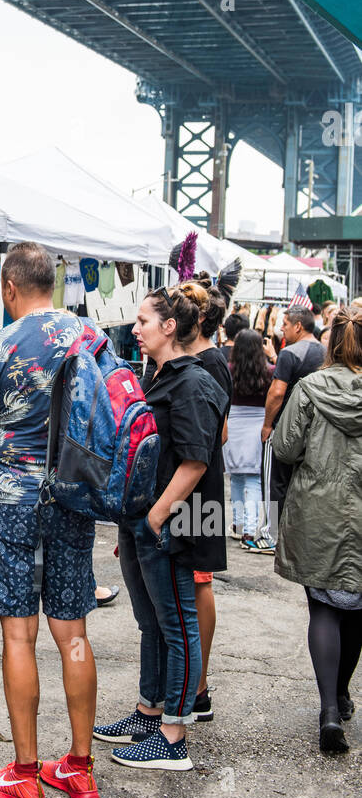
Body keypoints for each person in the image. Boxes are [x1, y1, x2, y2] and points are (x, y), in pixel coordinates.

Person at [0, 242, 100, 798]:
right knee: (74, 633)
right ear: (55, 282)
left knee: (19, 634)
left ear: (11, 288)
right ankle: (80, 767)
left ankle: (23, 772)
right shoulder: (91, 338)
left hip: (13, 498)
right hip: (73, 496)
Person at [94, 284, 226, 771]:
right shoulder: (163, 376)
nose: (135, 329)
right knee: (152, 622)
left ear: (169, 327)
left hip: (168, 525)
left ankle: (173, 736)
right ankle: (149, 713)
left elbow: (195, 461)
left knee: (176, 624)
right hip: (144, 522)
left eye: (143, 321)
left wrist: (154, 516)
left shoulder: (193, 382)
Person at [272, 307, 362, 755]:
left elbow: (286, 448)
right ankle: (343, 693)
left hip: (317, 513)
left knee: (324, 609)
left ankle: (329, 709)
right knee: (357, 609)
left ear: (332, 345)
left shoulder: (310, 387)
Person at [176, 274, 233, 722]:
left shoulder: (211, 362)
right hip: (193, 482)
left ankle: (199, 685)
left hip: (202, 484)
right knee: (191, 581)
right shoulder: (197, 358)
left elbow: (221, 432)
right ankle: (191, 683)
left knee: (200, 580)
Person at [260, 307, 325, 535]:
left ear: (298, 326)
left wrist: (268, 425)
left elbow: (277, 392)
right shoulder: (326, 352)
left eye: (285, 324)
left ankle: (272, 533)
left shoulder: (290, 353)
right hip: (316, 431)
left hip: (285, 428)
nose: (281, 329)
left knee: (275, 482)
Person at [223, 330, 273, 552]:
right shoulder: (268, 372)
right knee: (254, 480)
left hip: (233, 422)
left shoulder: (228, 369)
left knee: (236, 477)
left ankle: (238, 524)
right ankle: (249, 531)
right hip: (258, 424)